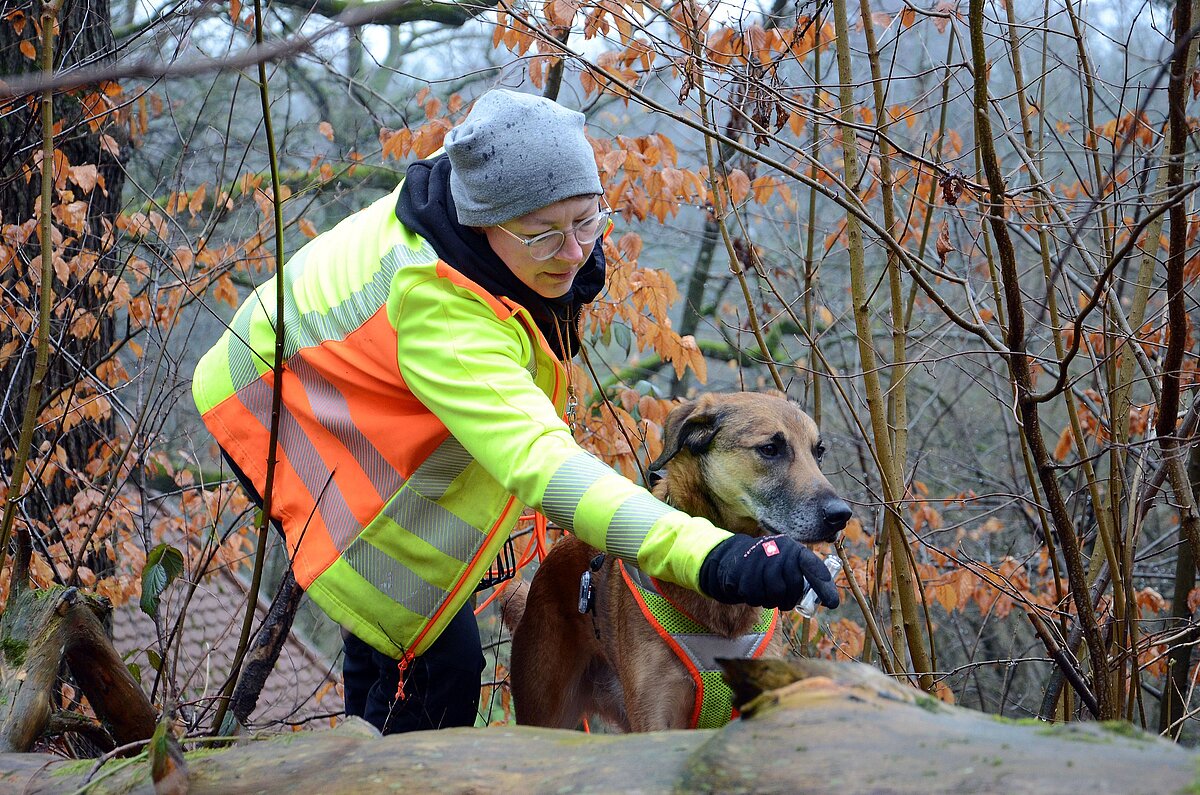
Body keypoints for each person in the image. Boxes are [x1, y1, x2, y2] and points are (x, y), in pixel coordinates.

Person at [191, 88, 838, 735]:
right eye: (544, 234)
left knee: (416, 645)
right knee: (427, 656)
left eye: (587, 220)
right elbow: (540, 460)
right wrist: (715, 555)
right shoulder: (441, 308)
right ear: (484, 223)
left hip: (348, 382)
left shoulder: (488, 206)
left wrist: (558, 238)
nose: (574, 250)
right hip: (283, 408)